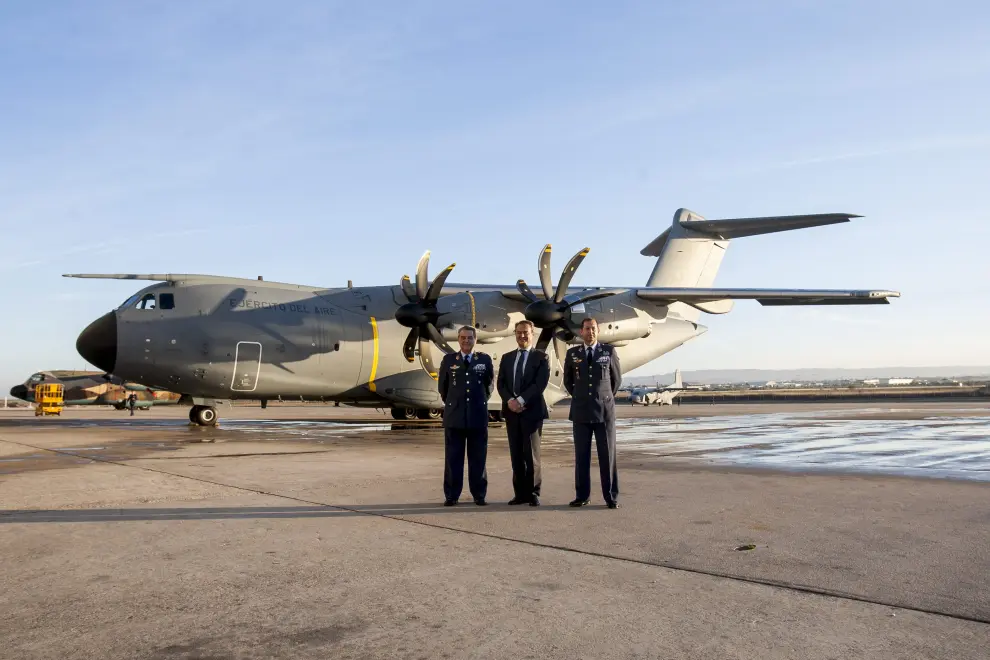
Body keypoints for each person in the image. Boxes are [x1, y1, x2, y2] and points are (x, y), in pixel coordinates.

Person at [563, 317, 622, 508]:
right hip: (581, 412)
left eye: (594, 328)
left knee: (608, 456)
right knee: (582, 457)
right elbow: (568, 382)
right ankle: (582, 496)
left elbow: (616, 381)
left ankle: (610, 497)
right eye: (587, 329)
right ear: (581, 332)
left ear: (598, 331)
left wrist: (602, 397)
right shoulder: (573, 354)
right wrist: (582, 396)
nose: (591, 332)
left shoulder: (608, 351)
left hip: (604, 412)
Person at [437, 326, 494, 506]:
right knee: (453, 458)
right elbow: (443, 389)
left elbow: (489, 386)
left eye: (469, 338)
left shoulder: (484, 360)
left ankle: (479, 494)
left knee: (478, 458)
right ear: (458, 340)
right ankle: (451, 495)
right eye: (462, 338)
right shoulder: (448, 360)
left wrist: (477, 402)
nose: (466, 341)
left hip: (477, 416)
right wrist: (456, 404)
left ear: (475, 339)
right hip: (455, 417)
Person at [496, 320, 550, 506]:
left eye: (525, 332)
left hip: (532, 412)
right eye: (519, 333)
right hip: (512, 413)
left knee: (532, 454)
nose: (522, 336)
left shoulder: (541, 357)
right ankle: (520, 493)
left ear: (532, 333)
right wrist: (510, 401)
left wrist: (520, 400)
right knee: (516, 454)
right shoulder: (507, 357)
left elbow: (539, 384)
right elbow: (501, 383)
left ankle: (534, 492)